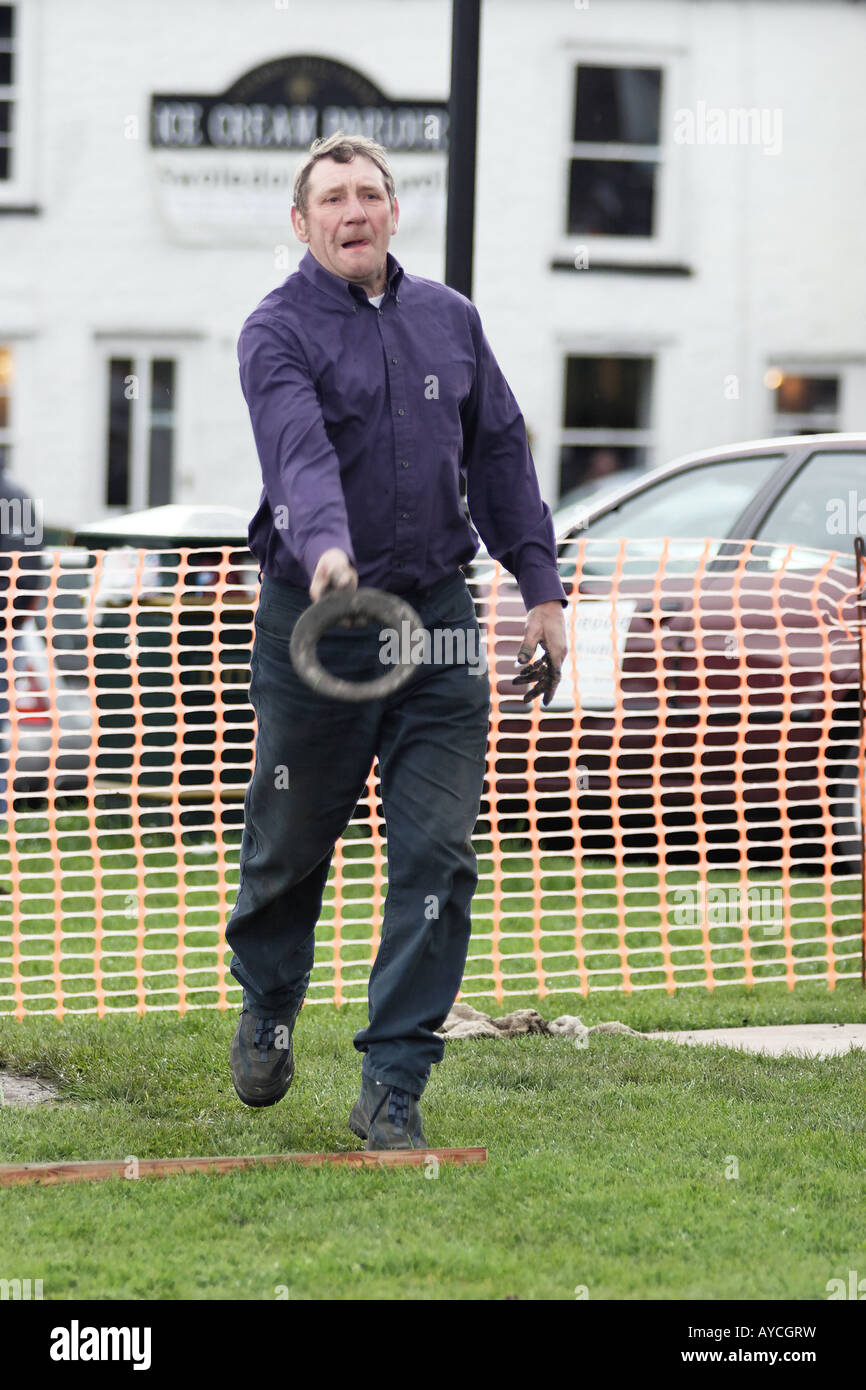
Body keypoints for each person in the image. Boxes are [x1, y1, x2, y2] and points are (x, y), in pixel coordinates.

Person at [225, 132, 568, 1149]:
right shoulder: (274, 329)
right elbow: (296, 452)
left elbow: (500, 450)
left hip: (439, 621)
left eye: (368, 193)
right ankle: (271, 997)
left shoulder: (448, 320)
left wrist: (540, 588)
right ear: (301, 222)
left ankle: (393, 1081)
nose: (352, 211)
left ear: (392, 212)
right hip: (318, 620)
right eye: (330, 198)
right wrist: (326, 548)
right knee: (290, 845)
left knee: (438, 851)